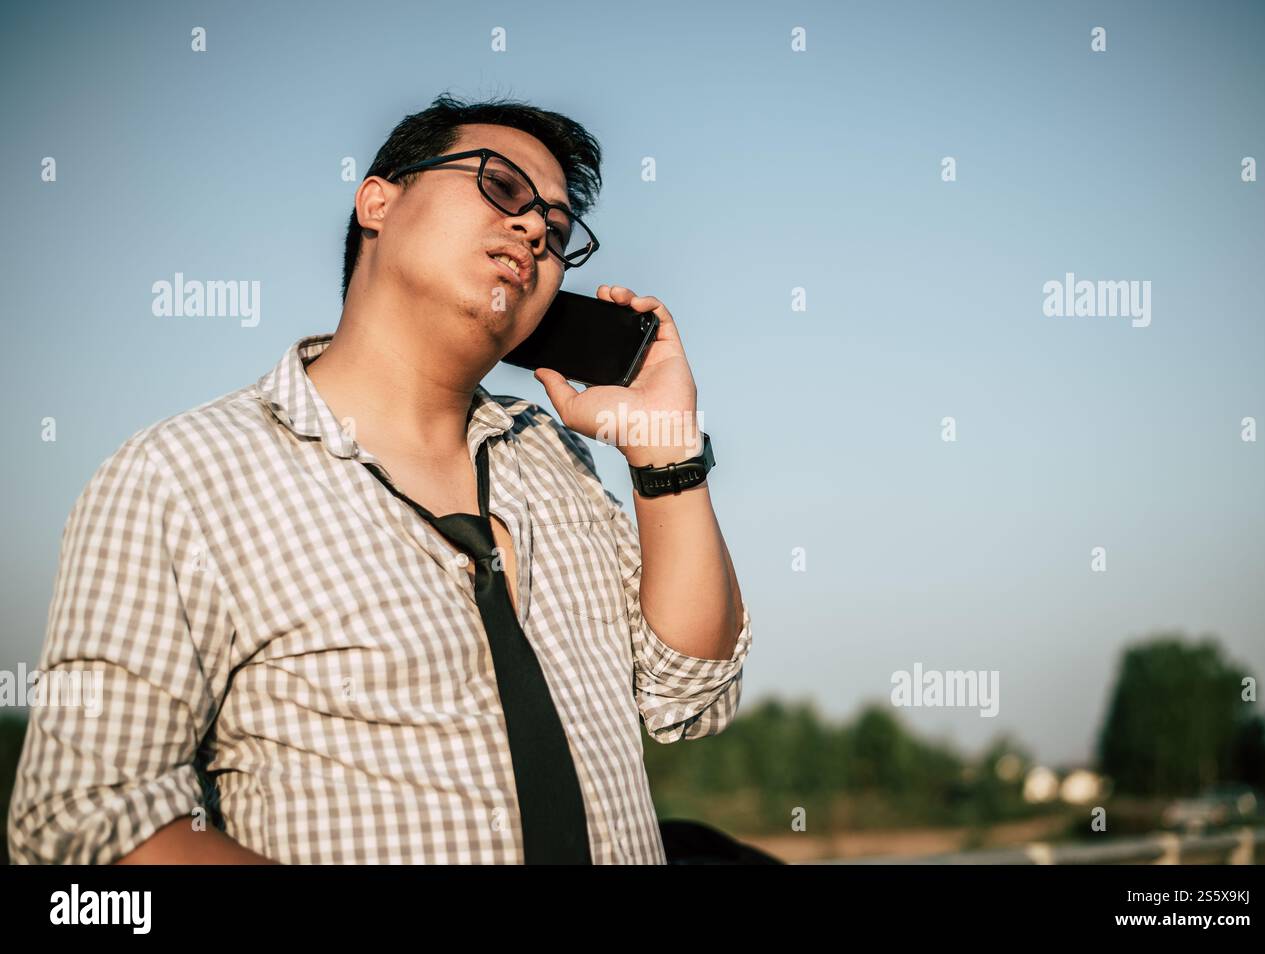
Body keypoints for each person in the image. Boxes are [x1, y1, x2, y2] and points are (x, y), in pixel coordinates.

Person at [7, 93, 752, 865]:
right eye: (502, 188)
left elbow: (687, 695)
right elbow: (89, 821)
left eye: (558, 231)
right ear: (378, 201)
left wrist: (664, 449)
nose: (535, 227)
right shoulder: (182, 476)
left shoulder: (555, 458)